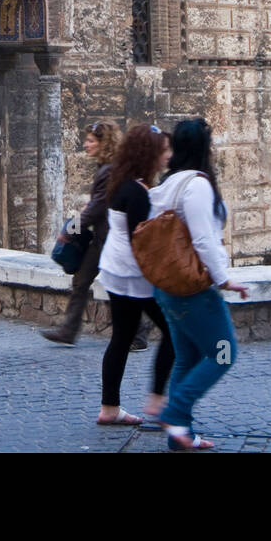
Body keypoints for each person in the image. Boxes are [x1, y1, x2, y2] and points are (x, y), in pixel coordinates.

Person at [150, 119, 250, 451]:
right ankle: (175, 412)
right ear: (205, 148)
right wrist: (224, 279)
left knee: (187, 357)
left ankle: (181, 434)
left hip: (165, 287)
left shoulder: (166, 185)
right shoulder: (197, 185)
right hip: (193, 289)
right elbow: (204, 239)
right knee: (224, 354)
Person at [95, 125, 175, 428]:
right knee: (173, 333)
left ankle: (110, 407)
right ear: (148, 154)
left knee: (121, 337)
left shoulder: (122, 183)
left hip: (116, 271)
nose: (167, 156)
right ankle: (158, 401)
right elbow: (140, 241)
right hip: (135, 276)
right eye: (162, 151)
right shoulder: (137, 193)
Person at [42, 122, 123, 346]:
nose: (86, 145)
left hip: (109, 238)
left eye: (91, 141)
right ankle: (68, 331)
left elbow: (97, 208)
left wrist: (70, 230)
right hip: (103, 237)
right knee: (82, 280)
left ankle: (137, 334)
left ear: (103, 143)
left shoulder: (108, 171)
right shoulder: (107, 168)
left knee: (113, 284)